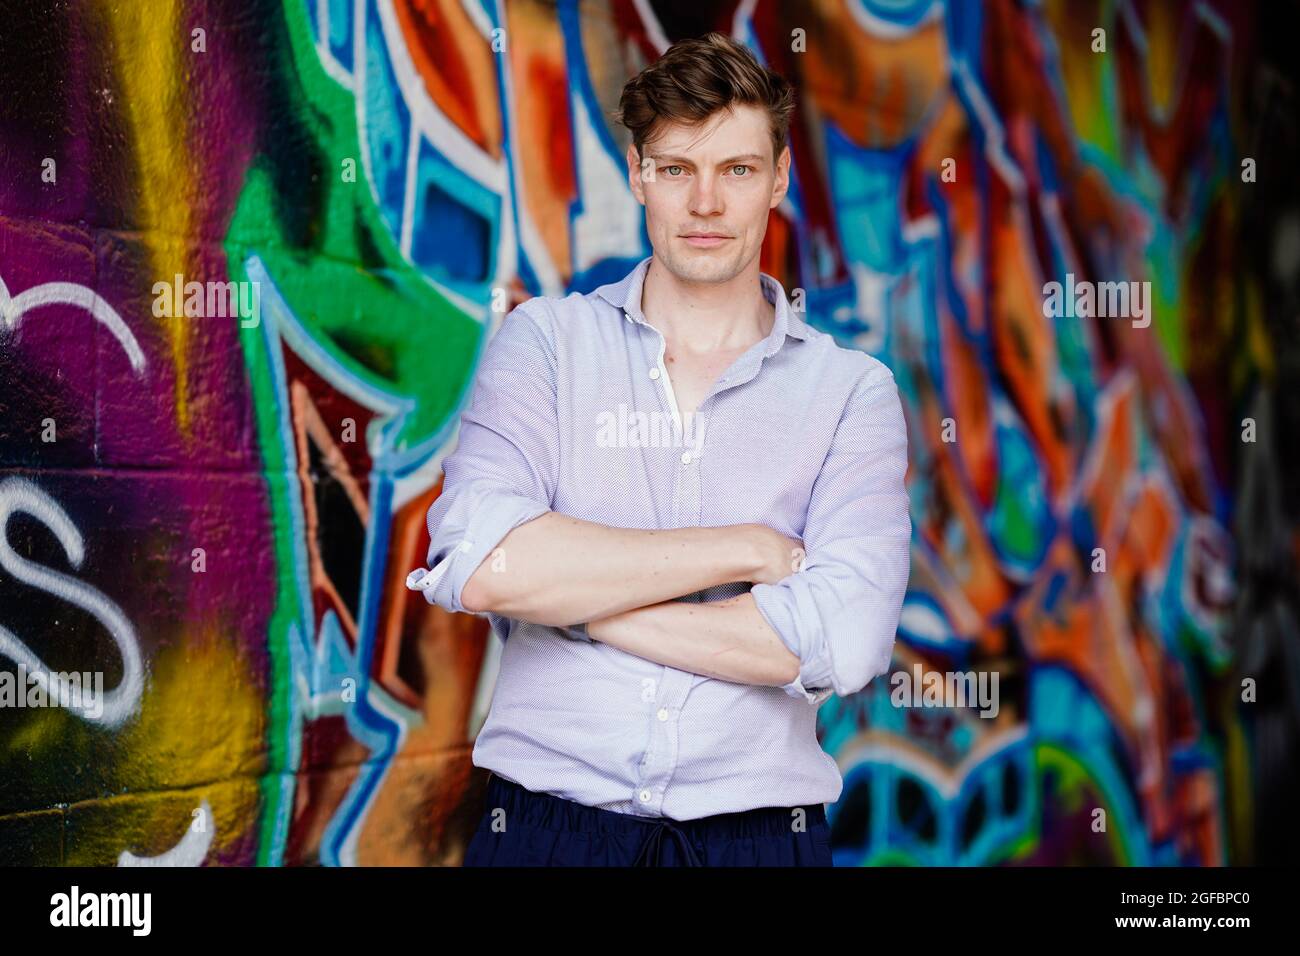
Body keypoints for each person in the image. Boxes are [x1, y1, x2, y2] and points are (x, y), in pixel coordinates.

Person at [406, 31, 911, 866]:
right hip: (545, 832)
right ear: (639, 172)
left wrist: (579, 604)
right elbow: (481, 559)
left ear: (779, 180)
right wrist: (744, 550)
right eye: (677, 169)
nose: (705, 203)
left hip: (759, 840)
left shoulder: (852, 393)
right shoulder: (546, 344)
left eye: (738, 171)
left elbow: (842, 636)